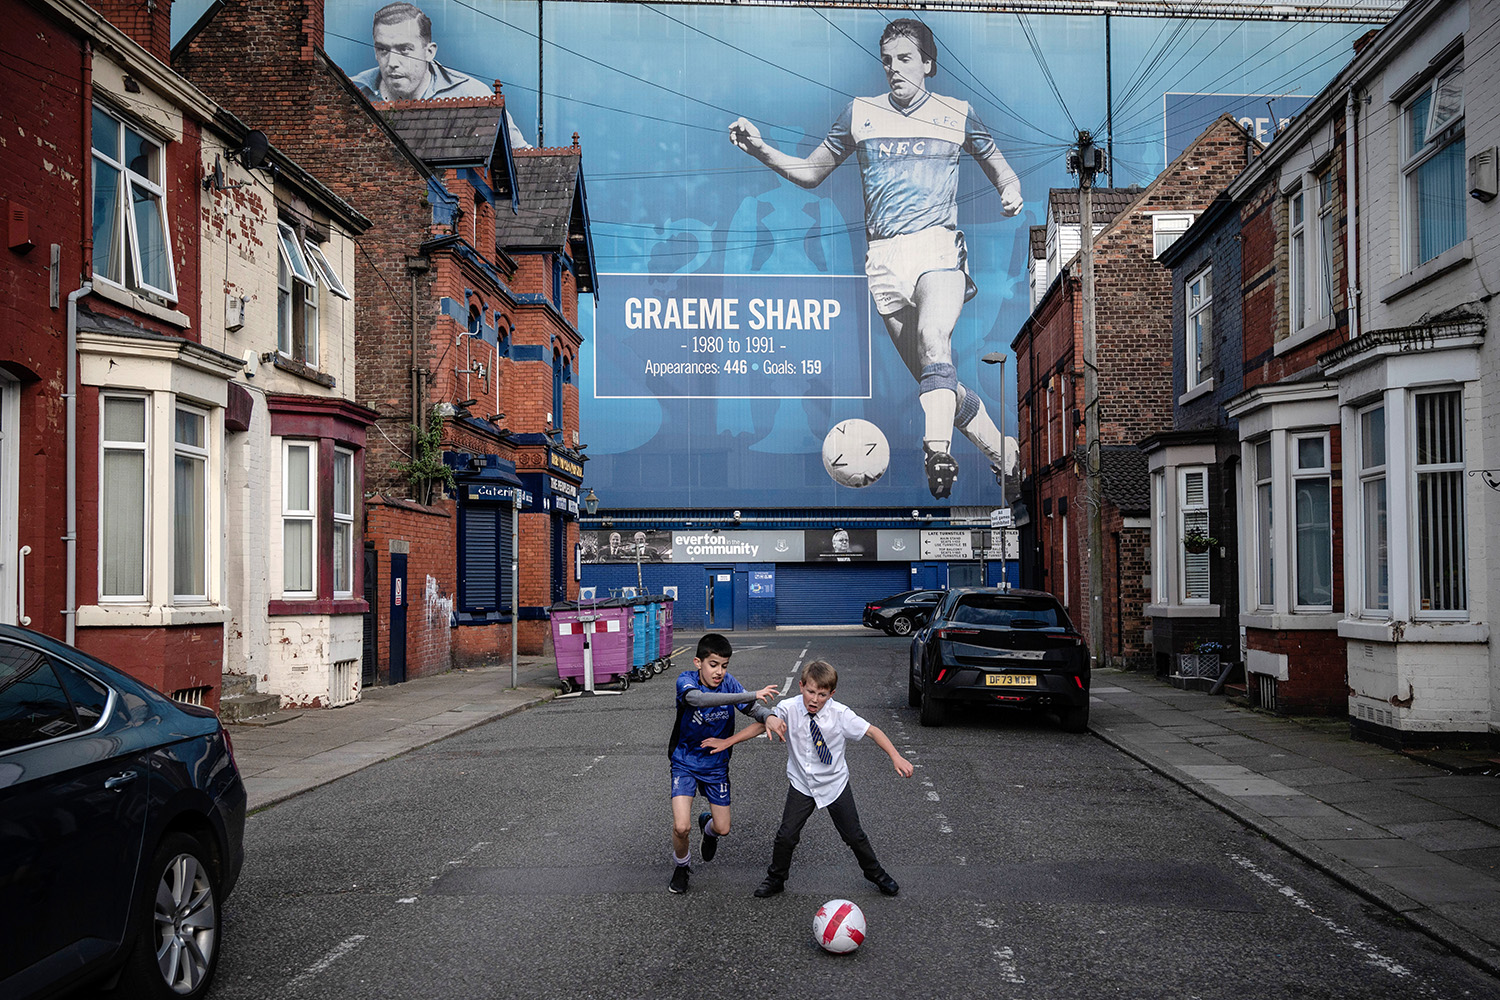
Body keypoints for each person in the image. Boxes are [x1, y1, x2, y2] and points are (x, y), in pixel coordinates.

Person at [729, 18, 1022, 500]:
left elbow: (1003, 171)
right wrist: (761, 150)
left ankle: (936, 451)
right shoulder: (860, 113)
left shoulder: (957, 113)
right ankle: (1002, 452)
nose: (894, 69)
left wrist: (1010, 191)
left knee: (935, 339)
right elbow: (811, 173)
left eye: (905, 59)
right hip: (884, 259)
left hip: (937, 246)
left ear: (928, 64)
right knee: (935, 377)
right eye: (887, 61)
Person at [710, 658, 913, 898]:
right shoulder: (789, 708)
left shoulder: (840, 714)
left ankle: (876, 874)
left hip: (834, 783)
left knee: (854, 836)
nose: (815, 699)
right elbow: (763, 724)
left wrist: (896, 756)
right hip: (802, 783)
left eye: (822, 694)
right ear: (801, 686)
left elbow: (872, 731)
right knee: (786, 836)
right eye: (810, 692)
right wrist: (728, 741)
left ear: (832, 694)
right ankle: (776, 878)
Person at [667, 633, 786, 894]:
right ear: (698, 662)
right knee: (681, 826)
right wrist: (750, 694)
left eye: (724, 666)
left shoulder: (729, 682)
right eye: (713, 665)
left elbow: (753, 709)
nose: (719, 672)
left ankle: (707, 828)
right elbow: (699, 700)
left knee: (723, 828)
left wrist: (768, 716)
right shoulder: (685, 680)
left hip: (716, 765)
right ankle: (682, 866)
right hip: (685, 761)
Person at [351, 2, 532, 149]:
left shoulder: (472, 94)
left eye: (404, 49)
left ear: (429, 52)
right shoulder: (350, 91)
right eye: (383, 50)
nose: (392, 62)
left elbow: (519, 157)